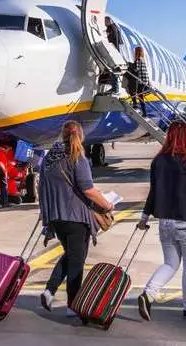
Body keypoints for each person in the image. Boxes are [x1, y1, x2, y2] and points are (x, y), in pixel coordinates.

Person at [39, 121, 114, 317]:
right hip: (76, 218)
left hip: (57, 217)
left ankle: (49, 290)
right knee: (77, 261)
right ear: (80, 135)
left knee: (71, 255)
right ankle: (72, 305)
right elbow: (88, 189)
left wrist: (47, 221)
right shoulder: (77, 157)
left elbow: (42, 189)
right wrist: (107, 205)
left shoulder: (49, 159)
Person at [137, 121, 186, 320]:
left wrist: (143, 218)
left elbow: (152, 192)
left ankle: (148, 294)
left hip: (165, 223)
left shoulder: (158, 161)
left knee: (170, 263)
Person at [104, 16, 122, 94]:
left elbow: (108, 38)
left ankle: (114, 88)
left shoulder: (110, 28)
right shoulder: (116, 28)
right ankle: (114, 87)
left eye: (105, 22)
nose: (104, 24)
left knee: (113, 69)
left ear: (108, 21)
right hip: (116, 51)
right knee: (115, 70)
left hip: (112, 51)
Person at [130, 46, 149, 117]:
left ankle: (143, 111)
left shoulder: (138, 59)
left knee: (137, 94)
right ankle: (141, 109)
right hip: (145, 80)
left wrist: (130, 65)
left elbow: (136, 69)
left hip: (141, 80)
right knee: (139, 94)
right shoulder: (143, 59)